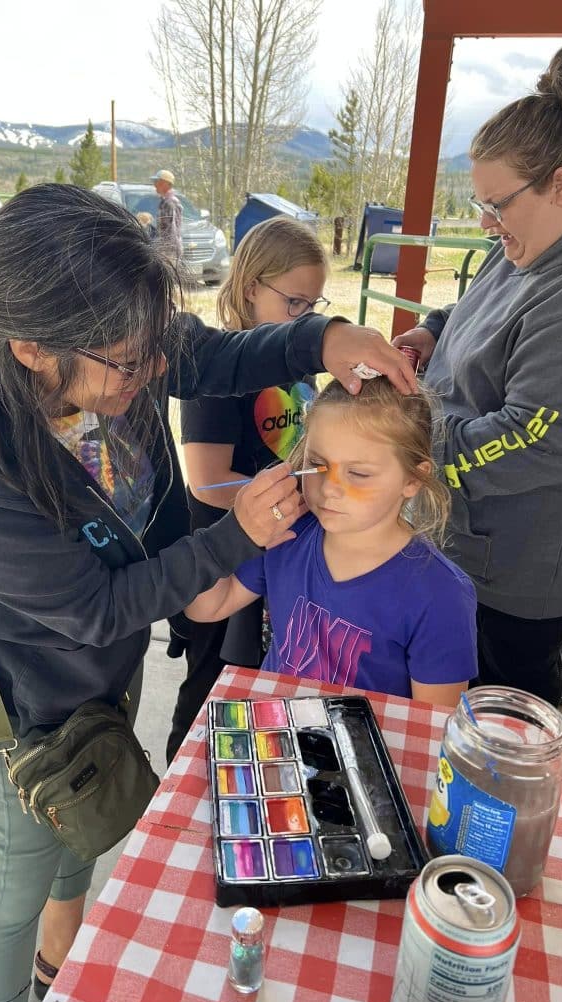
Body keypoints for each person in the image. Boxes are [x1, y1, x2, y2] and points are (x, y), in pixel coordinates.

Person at [0, 183, 415, 1002]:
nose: (153, 374)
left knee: (85, 821)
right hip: (6, 702)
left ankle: (60, 955)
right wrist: (230, 538)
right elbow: (98, 609)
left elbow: (212, 356)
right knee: (10, 886)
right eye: (134, 363)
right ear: (32, 348)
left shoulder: (112, 335)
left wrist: (324, 336)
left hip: (92, 678)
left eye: (153, 351)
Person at [391, 44, 562, 707]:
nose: (488, 224)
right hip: (472, 519)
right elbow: (480, 302)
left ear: (560, 182)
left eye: (498, 205)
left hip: (521, 556)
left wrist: (406, 443)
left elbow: (539, 436)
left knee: (501, 706)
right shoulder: (545, 234)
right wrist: (433, 330)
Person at [186, 377, 477, 705]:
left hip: (365, 750)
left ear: (412, 478)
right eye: (317, 465)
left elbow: (432, 726)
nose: (329, 488)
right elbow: (206, 607)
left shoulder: (440, 594)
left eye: (359, 473)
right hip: (279, 731)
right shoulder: (287, 535)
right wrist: (236, 532)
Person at [167, 216, 330, 761]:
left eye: (315, 305)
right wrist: (296, 498)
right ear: (252, 287)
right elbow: (208, 482)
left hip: (278, 540)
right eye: (296, 304)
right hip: (225, 548)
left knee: (259, 668)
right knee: (212, 676)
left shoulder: (297, 364)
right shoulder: (214, 374)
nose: (307, 318)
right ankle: (182, 775)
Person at [151, 168, 183, 260]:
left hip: (169, 252)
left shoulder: (171, 202)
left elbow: (172, 229)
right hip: (165, 250)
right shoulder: (165, 201)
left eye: (157, 182)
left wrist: (166, 253)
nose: (155, 185)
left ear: (165, 184)